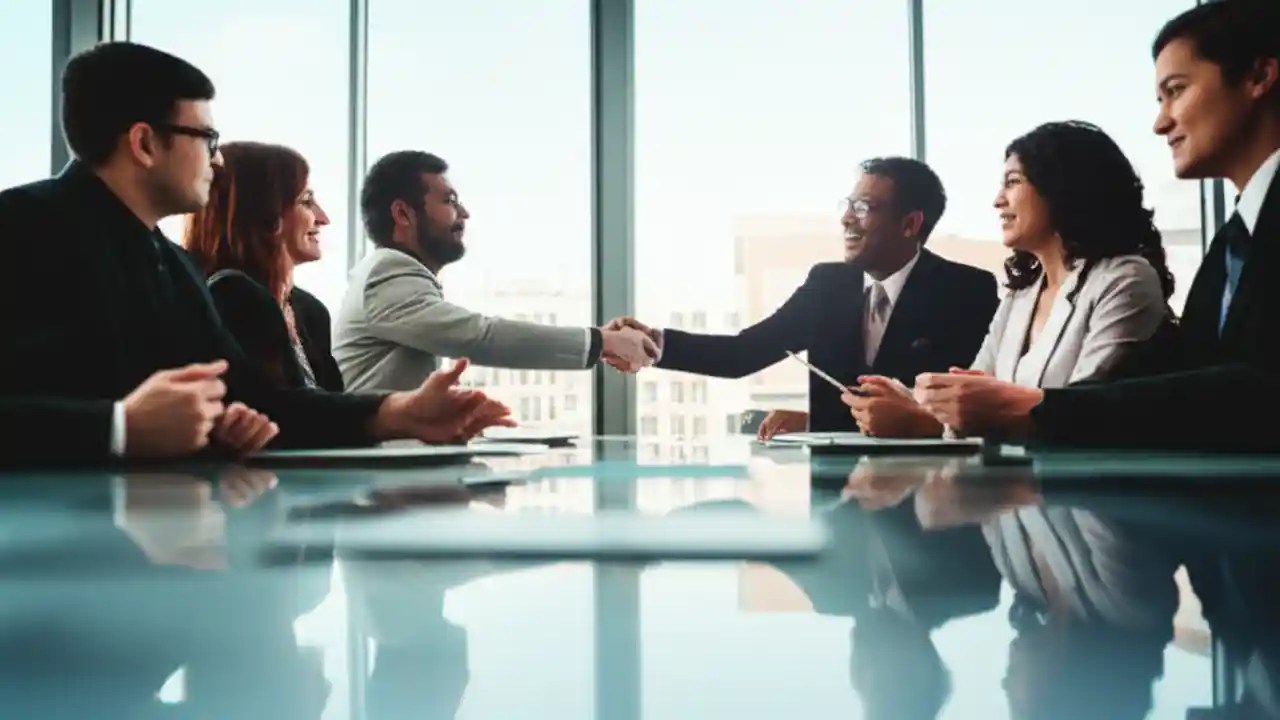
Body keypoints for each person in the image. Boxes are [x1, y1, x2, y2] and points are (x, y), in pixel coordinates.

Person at [0, 41, 513, 466]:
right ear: (145, 144)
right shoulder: (19, 226)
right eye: (207, 138)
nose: (218, 160)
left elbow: (255, 399)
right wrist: (119, 427)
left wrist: (400, 412)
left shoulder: (173, 265)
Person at [912, 0, 1280, 451]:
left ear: (1259, 77)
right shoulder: (1231, 243)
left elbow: (1255, 388)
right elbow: (1180, 384)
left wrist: (1025, 409)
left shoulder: (1137, 274)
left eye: (1177, 90)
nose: (1160, 122)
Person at [609, 157, 998, 437]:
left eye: (864, 207)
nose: (847, 218)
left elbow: (978, 412)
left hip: (930, 500)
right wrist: (653, 343)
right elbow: (743, 353)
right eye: (848, 205)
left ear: (910, 223)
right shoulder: (828, 284)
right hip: (837, 502)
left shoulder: (966, 291)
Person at [847, 122, 1175, 438]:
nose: (998, 200)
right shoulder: (1022, 294)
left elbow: (1081, 415)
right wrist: (915, 398)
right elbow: (974, 395)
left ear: (1062, 187)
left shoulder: (1125, 280)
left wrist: (924, 422)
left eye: (1013, 182)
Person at [333, 150, 658, 393]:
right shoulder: (387, 271)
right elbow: (480, 336)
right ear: (403, 214)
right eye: (450, 201)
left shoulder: (392, 276)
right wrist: (602, 342)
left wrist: (600, 338)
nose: (464, 213)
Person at [184, 141, 344, 391]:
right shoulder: (223, 302)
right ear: (264, 214)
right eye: (306, 201)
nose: (323, 218)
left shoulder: (311, 312)